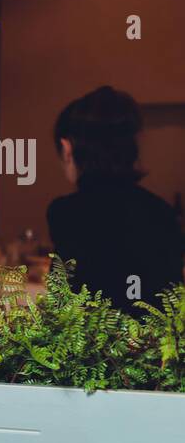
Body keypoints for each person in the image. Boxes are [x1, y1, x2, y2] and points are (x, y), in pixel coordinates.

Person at [46, 85, 183, 310]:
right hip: (156, 343)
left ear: (67, 149)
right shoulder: (162, 211)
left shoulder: (66, 213)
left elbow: (63, 305)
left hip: (93, 342)